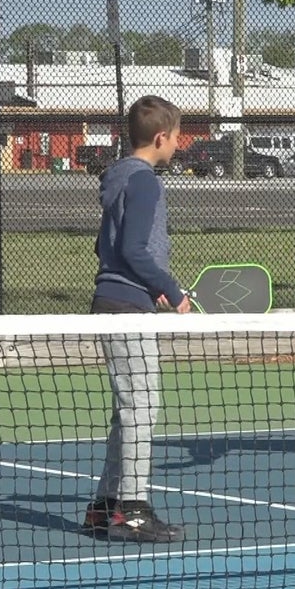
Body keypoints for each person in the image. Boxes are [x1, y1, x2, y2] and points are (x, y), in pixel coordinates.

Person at [82, 95, 190, 542]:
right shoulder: (144, 181)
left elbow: (104, 249)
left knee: (127, 412)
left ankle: (104, 508)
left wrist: (150, 287)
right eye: (178, 137)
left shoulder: (119, 177)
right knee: (141, 409)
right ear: (162, 137)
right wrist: (169, 287)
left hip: (117, 302)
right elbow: (131, 249)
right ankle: (133, 510)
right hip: (126, 310)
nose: (179, 145)